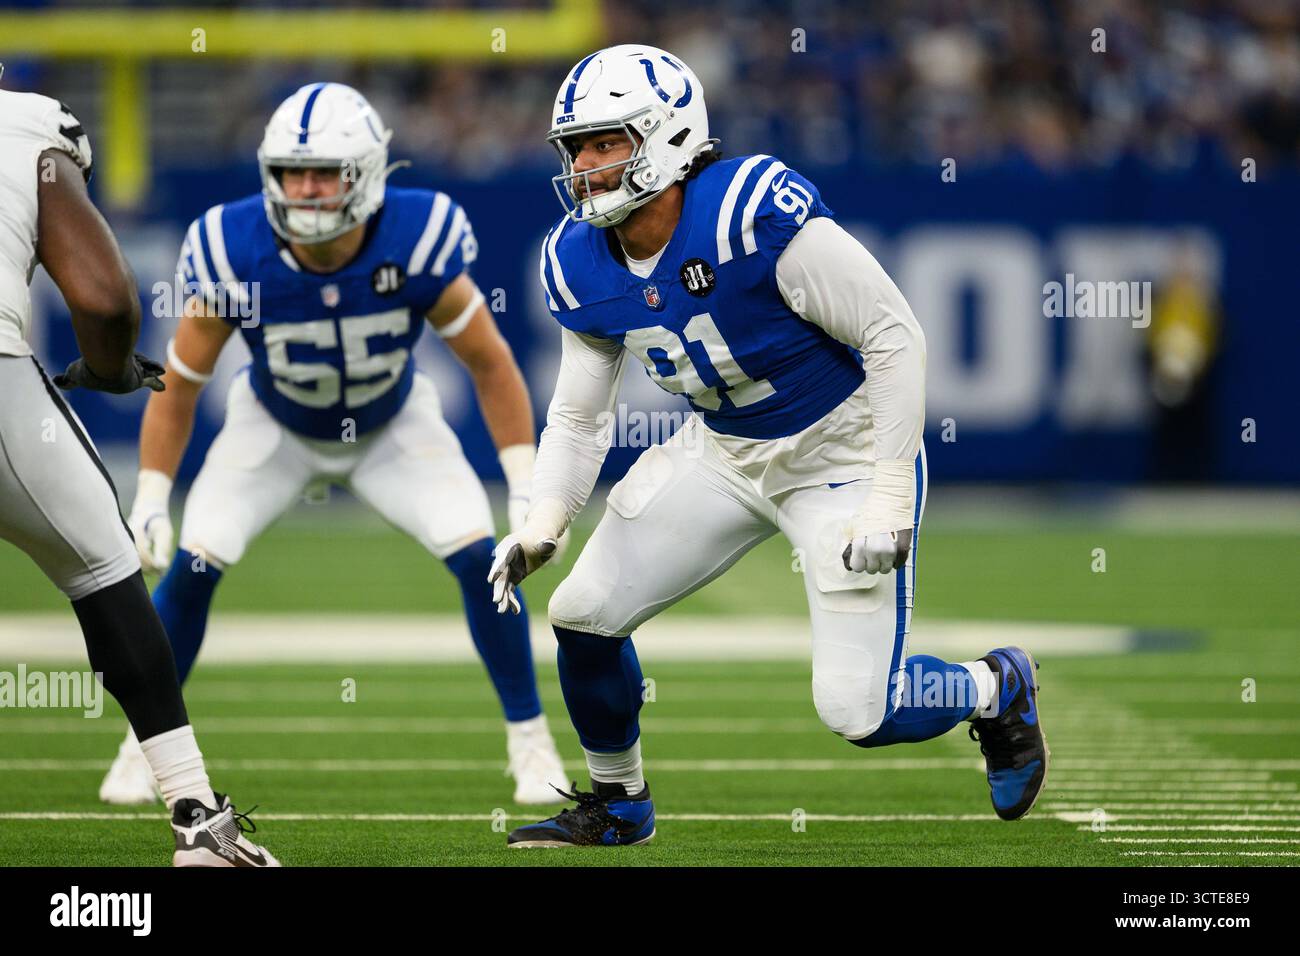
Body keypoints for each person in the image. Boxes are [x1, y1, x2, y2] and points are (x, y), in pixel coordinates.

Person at [489, 46, 1049, 847]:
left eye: (605, 142)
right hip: (724, 450)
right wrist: (545, 520)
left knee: (858, 709)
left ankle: (996, 688)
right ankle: (619, 805)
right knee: (581, 613)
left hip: (841, 453)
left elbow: (893, 335)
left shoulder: (748, 211)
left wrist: (889, 494)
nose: (583, 165)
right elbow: (579, 418)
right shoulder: (577, 260)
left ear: (666, 137)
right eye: (574, 148)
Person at [97, 83, 567, 808]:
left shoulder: (415, 233)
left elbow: (491, 362)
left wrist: (526, 486)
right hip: (273, 426)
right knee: (191, 565)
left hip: (393, 423)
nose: (307, 189)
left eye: (326, 172)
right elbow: (181, 380)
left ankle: (531, 745)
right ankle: (144, 747)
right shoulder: (236, 246)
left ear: (370, 174)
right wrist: (152, 497)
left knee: (484, 562)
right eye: (292, 172)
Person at [0, 83, 278, 865]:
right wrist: (111, 367)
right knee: (105, 570)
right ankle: (197, 820)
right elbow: (104, 294)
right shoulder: (26, 125)